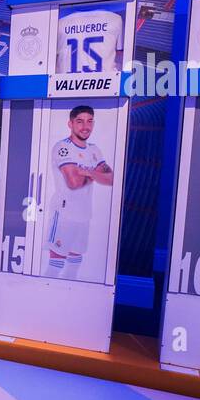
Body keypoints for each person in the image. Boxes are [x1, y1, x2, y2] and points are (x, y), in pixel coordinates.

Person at [45, 105, 112, 280]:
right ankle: (45, 299)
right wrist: (97, 174)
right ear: (70, 124)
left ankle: (68, 301)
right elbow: (73, 183)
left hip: (84, 215)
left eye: (89, 121)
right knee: (56, 264)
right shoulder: (63, 148)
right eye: (80, 121)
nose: (85, 126)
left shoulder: (94, 150)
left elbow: (111, 179)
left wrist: (87, 172)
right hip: (64, 214)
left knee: (75, 263)